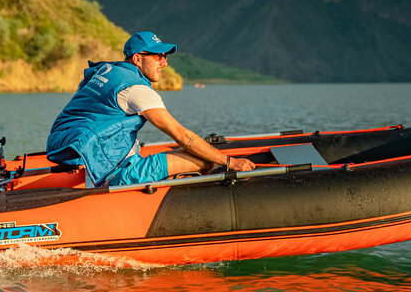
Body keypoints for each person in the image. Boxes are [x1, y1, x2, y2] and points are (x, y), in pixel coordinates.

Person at [46, 31, 256, 187]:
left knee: (195, 154)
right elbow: (182, 135)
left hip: (96, 162)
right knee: (205, 161)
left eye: (165, 56)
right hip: (117, 173)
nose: (164, 62)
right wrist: (231, 162)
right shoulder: (135, 89)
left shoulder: (106, 72)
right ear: (138, 58)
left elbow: (87, 114)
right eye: (158, 56)